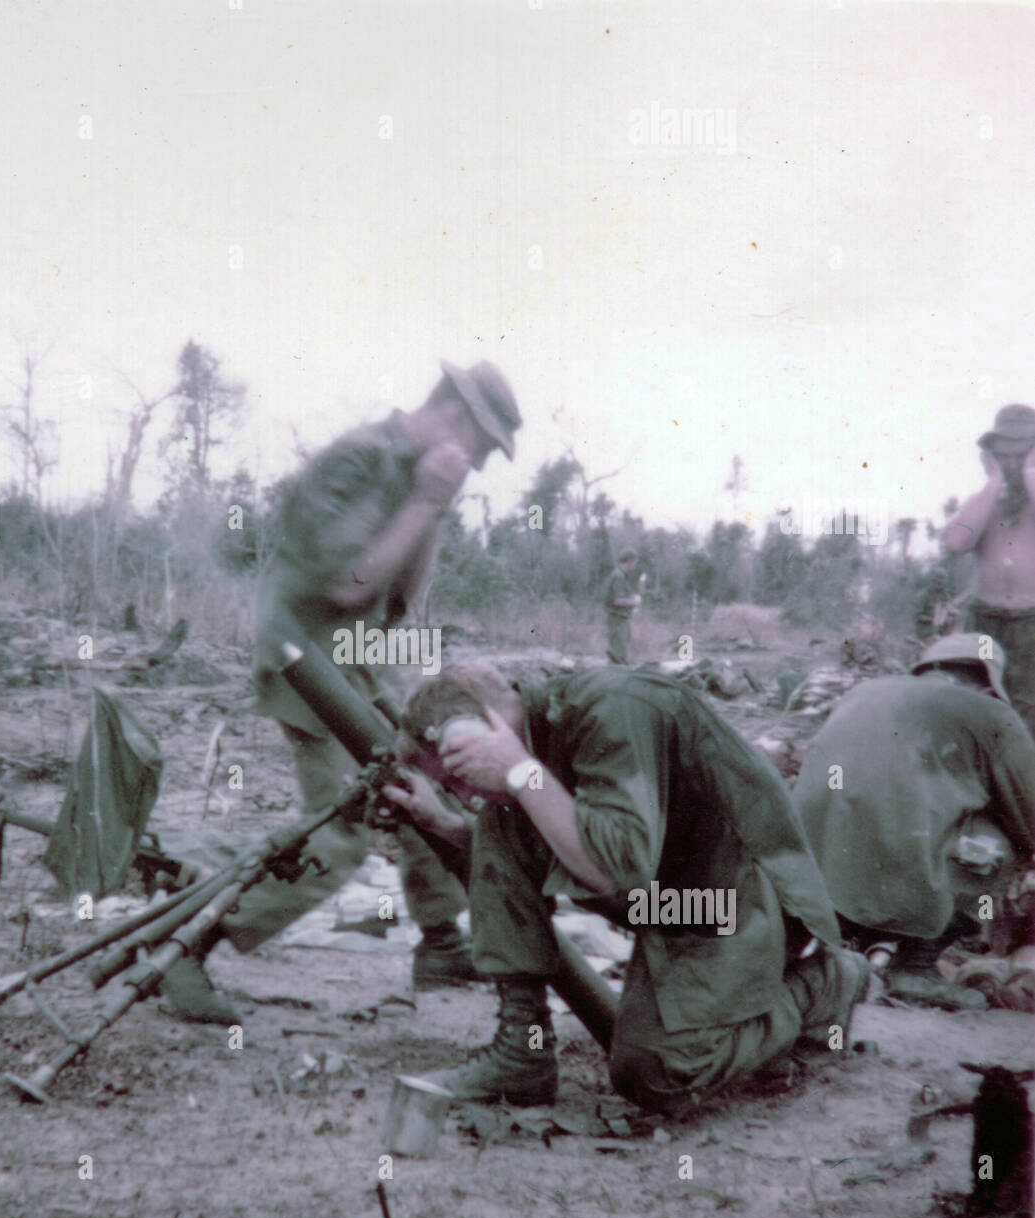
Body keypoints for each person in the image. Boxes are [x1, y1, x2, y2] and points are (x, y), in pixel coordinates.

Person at [159, 363, 523, 1023]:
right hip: (309, 674)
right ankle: (188, 946)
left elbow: (401, 601)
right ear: (456, 417)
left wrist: (430, 505)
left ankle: (442, 941)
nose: (475, 464)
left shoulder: (409, 473)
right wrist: (422, 502)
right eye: (480, 447)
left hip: (359, 666)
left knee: (422, 786)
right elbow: (347, 585)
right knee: (343, 833)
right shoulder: (356, 461)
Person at [382, 662, 869, 1116]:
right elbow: (528, 854)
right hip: (667, 897)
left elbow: (616, 869)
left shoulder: (613, 709)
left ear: (476, 733)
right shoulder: (534, 740)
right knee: (501, 820)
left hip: (734, 899)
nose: (466, 796)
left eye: (459, 777)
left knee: (659, 1073)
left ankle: (823, 986)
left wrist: (519, 771)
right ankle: (521, 1052)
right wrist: (447, 825)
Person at [792, 634, 1035, 1010]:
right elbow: (1029, 808)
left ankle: (853, 946)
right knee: (998, 841)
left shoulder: (864, 691)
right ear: (987, 682)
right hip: (894, 863)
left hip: (812, 862)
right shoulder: (991, 713)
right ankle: (916, 966)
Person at [942, 404, 1035, 736]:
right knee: (977, 704)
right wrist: (995, 482)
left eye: (1020, 455)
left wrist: (1029, 475)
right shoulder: (984, 500)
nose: (1011, 464)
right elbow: (955, 542)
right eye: (1003, 457)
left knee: (1028, 714)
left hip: (1031, 624)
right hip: (984, 620)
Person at [602, 549, 642, 664]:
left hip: (621, 620)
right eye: (634, 563)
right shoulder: (619, 576)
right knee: (618, 657)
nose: (635, 566)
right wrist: (634, 602)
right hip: (617, 621)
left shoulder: (621, 576)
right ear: (629, 561)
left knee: (621, 655)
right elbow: (617, 601)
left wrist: (631, 598)